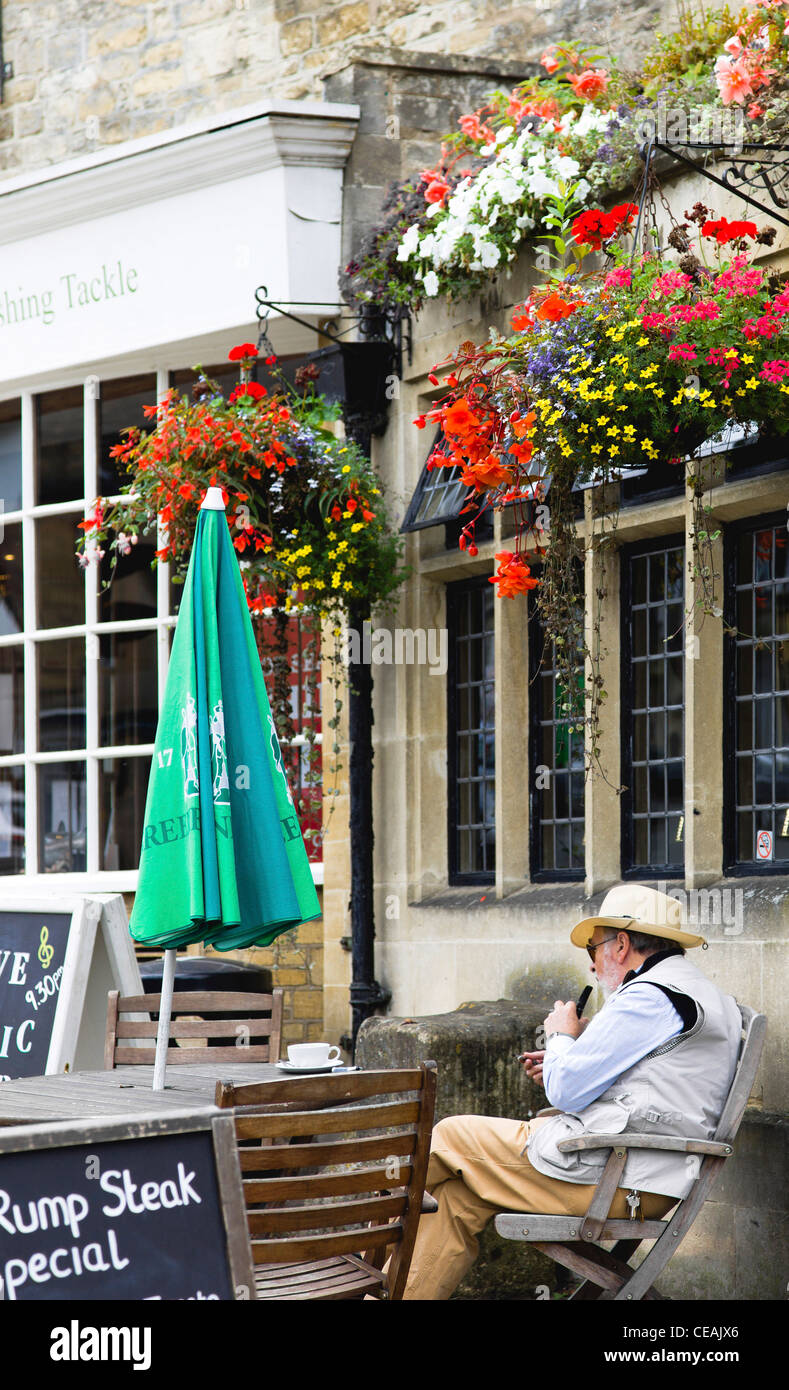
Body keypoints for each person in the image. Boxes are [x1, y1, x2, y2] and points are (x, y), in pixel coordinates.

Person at [402, 883, 742, 1300]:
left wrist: (560, 1036)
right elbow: (649, 1080)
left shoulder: (648, 998)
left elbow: (564, 1093)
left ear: (620, 944)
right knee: (456, 1199)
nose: (593, 968)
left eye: (593, 951)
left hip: (622, 1176)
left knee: (449, 1136)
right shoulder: (695, 991)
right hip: (643, 1171)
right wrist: (569, 1059)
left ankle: (359, 1237)